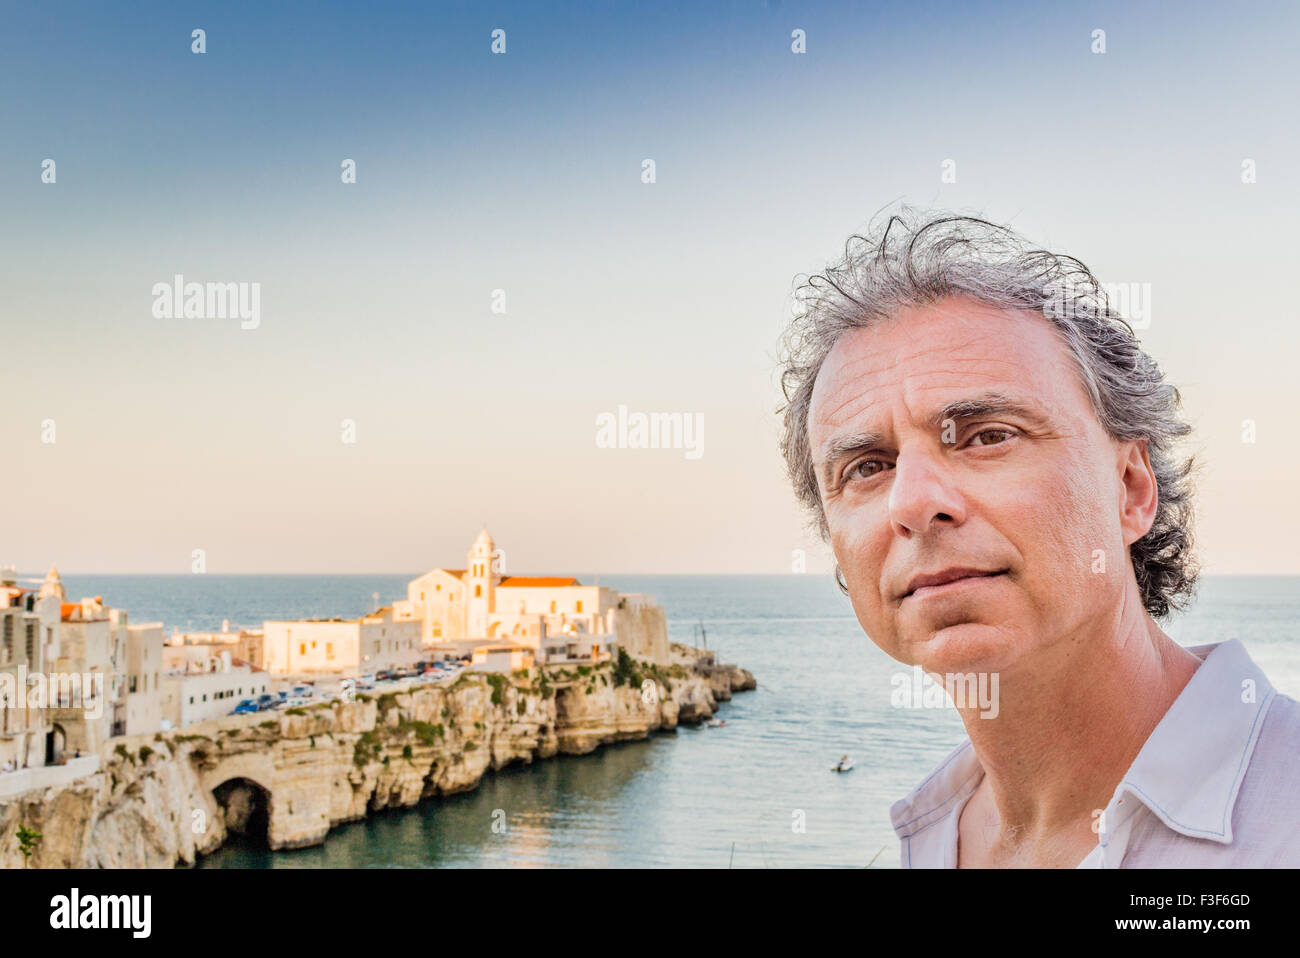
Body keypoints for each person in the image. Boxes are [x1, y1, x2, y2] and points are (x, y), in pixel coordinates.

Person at [777, 207, 1300, 867]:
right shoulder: (932, 832)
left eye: (989, 435)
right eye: (867, 468)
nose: (912, 503)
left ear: (1133, 487)